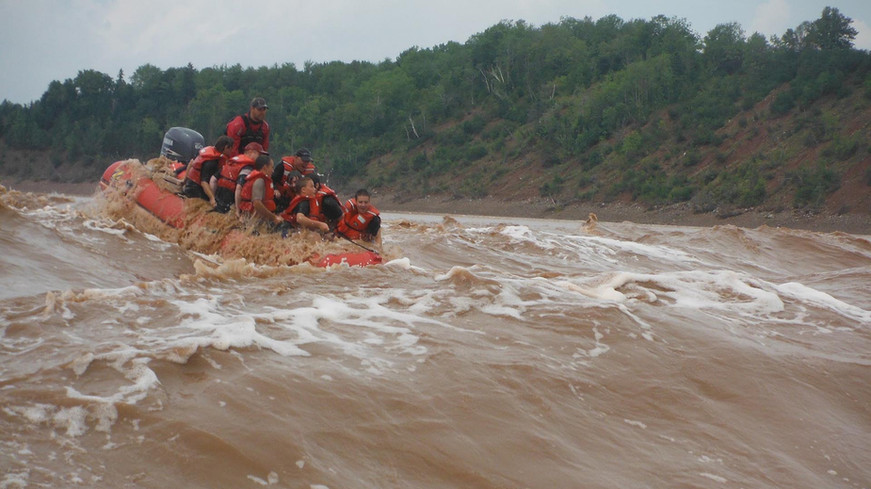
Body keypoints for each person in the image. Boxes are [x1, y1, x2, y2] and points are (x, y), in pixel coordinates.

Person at [213, 142, 268, 213]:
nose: (260, 157)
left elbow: (213, 180)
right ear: (251, 152)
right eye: (259, 154)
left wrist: (212, 198)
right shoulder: (248, 167)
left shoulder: (232, 162)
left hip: (219, 198)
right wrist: (237, 210)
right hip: (230, 200)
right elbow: (239, 187)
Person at [181, 135, 234, 207]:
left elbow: (191, 163)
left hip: (190, 184)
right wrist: (212, 198)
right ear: (225, 147)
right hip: (195, 189)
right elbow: (204, 182)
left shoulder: (209, 150)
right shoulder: (212, 162)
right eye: (230, 149)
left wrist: (184, 181)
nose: (232, 151)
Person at [279, 177, 344, 233]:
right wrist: (319, 225)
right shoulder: (304, 202)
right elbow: (300, 218)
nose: (315, 189)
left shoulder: (306, 201)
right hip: (286, 229)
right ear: (303, 190)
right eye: (312, 186)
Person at [238, 155, 283, 226]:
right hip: (255, 221)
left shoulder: (258, 179)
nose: (273, 170)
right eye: (272, 167)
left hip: (251, 218)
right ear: (265, 167)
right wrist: (274, 218)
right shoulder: (260, 181)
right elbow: (257, 204)